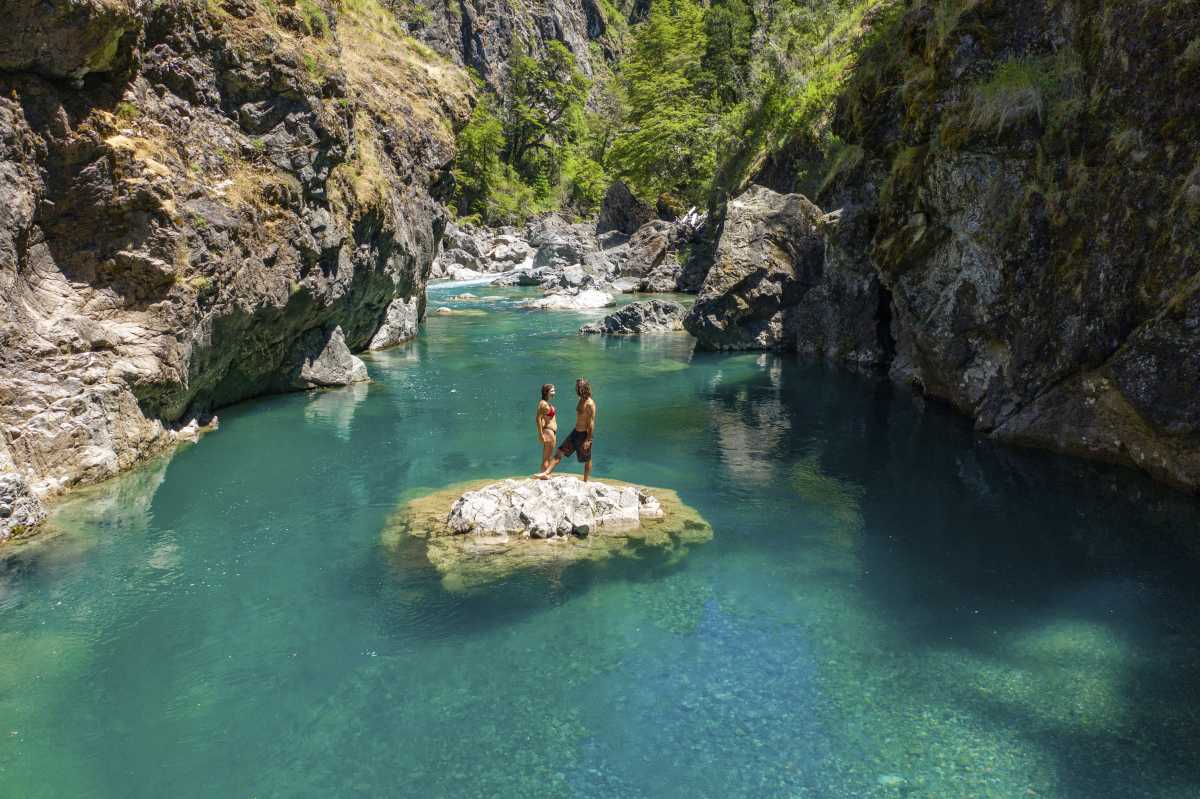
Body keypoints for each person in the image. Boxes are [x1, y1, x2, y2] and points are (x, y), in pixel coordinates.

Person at [535, 378, 596, 482]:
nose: (577, 390)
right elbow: (539, 418)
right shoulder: (581, 400)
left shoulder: (590, 403)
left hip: (584, 434)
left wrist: (588, 440)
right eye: (577, 388)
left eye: (579, 388)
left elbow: (591, 422)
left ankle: (586, 481)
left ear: (584, 388)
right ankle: (546, 472)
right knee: (560, 452)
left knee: (587, 459)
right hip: (575, 432)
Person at [535, 383, 557, 472]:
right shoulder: (543, 404)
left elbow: (543, 418)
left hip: (550, 432)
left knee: (548, 457)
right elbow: (538, 418)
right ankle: (543, 477)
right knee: (546, 458)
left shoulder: (546, 403)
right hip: (549, 432)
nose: (554, 392)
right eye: (552, 391)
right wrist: (541, 434)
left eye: (554, 390)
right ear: (546, 392)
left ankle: (544, 475)